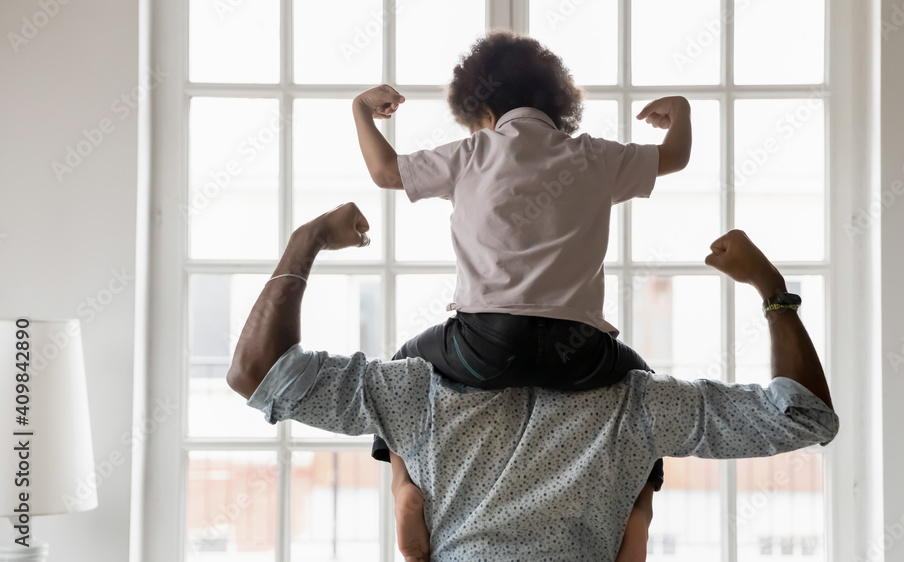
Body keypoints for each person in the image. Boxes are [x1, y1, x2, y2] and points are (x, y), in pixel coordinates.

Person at [226, 202, 839, 562]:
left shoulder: (416, 392)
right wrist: (771, 292)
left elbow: (257, 371)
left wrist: (307, 242)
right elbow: (805, 416)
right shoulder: (637, 402)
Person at [352, 30, 693, 558]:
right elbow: (674, 157)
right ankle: (638, 511)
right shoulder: (594, 156)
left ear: (482, 106)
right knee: (641, 388)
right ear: (558, 102)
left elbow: (382, 171)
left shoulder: (472, 153)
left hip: (481, 346)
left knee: (400, 371)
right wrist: (681, 112)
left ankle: (404, 486)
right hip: (581, 354)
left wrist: (361, 111)